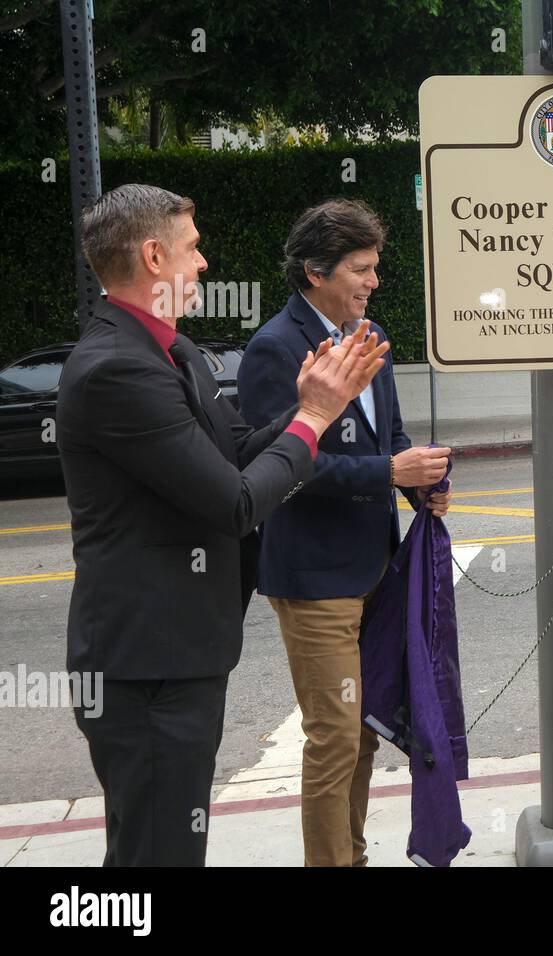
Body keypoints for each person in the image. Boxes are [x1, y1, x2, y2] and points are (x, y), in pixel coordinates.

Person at [58, 183, 387, 866]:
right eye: (193, 247)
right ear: (154, 256)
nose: (204, 262)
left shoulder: (169, 351)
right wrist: (316, 418)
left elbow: (238, 450)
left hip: (180, 657)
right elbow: (236, 500)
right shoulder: (118, 367)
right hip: (147, 666)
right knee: (157, 855)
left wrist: (306, 406)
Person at [237, 199, 451, 867]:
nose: (373, 281)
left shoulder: (369, 333)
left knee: (361, 734)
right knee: (333, 735)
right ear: (315, 272)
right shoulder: (276, 348)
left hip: (374, 570)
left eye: (375, 267)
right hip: (314, 577)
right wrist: (389, 470)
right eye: (360, 269)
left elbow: (391, 435)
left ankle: (350, 856)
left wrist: (421, 481)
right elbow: (284, 466)